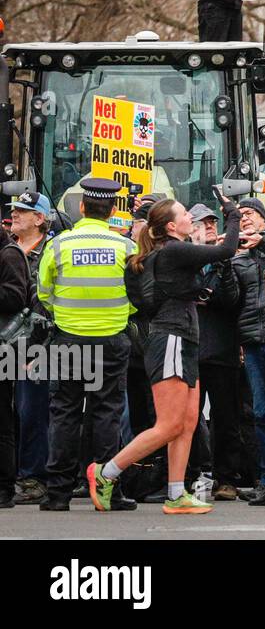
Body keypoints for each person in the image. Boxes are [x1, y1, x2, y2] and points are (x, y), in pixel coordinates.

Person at [89, 192, 241, 515]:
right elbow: (228, 250)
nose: (191, 217)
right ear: (172, 227)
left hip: (184, 341)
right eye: (185, 213)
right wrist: (232, 212)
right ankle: (106, 472)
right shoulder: (172, 252)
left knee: (187, 422)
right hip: (171, 339)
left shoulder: (169, 254)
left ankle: (175, 494)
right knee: (170, 424)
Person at [37, 179, 137, 512]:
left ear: (82, 208)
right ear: (111, 210)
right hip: (112, 339)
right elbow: (137, 297)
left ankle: (58, 494)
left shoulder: (59, 245)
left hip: (68, 339)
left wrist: (65, 315)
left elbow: (44, 293)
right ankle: (107, 490)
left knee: (65, 414)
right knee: (107, 413)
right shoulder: (126, 247)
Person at [231, 199, 265, 505]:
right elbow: (232, 300)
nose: (243, 220)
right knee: (262, 412)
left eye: (248, 214)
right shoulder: (240, 258)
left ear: (264, 219)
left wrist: (264, 242)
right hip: (253, 341)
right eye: (238, 217)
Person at [187, 203, 244, 501]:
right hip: (192, 351)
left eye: (213, 222)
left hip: (222, 349)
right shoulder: (185, 258)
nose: (210, 226)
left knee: (226, 420)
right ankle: (194, 472)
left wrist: (223, 269)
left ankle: (226, 478)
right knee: (189, 419)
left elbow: (230, 300)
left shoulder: (225, 260)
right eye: (202, 223)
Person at [10, 192, 53, 505]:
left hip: (35, 347)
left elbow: (46, 303)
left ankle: (34, 477)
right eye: (14, 209)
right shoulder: (9, 251)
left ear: (40, 219)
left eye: (23, 210)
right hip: (7, 345)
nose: (15, 214)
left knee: (32, 413)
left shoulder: (50, 252)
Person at [0, 219, 31, 509]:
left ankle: (4, 487)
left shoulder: (9, 254)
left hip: (4, 347)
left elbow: (15, 297)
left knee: (2, 421)